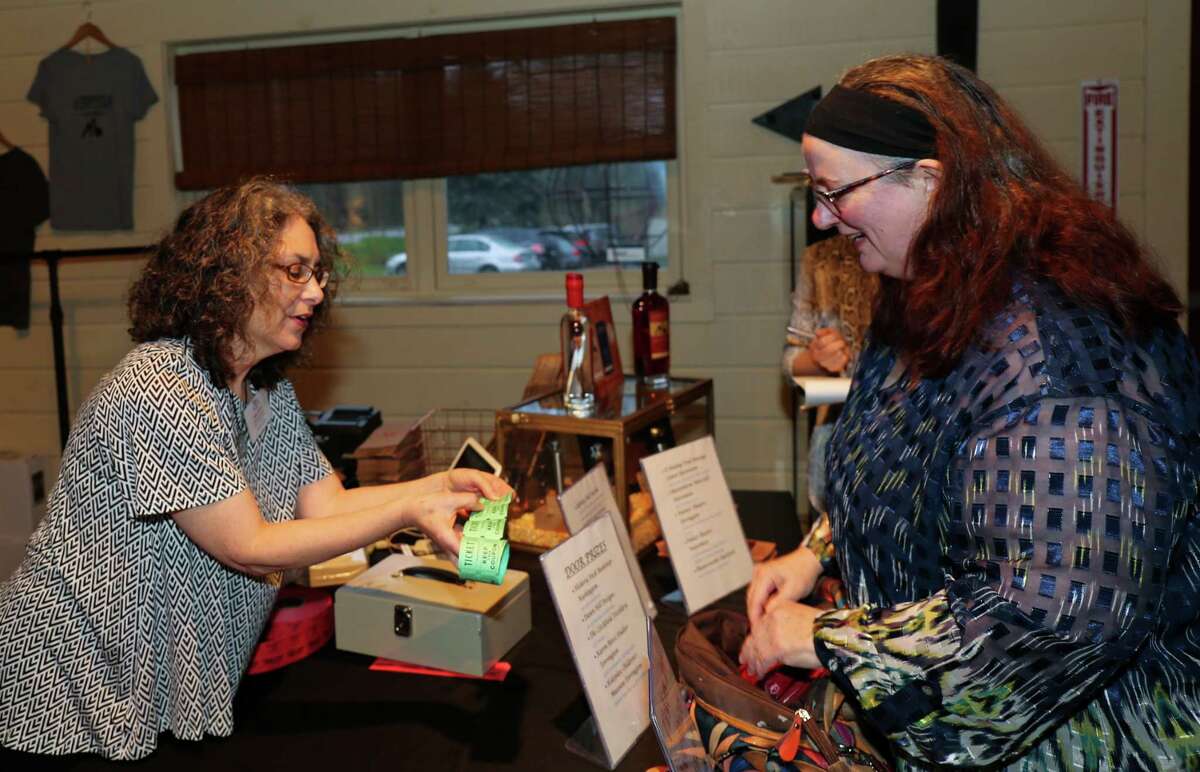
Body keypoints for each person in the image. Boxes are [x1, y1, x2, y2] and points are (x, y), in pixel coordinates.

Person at [740, 54, 1200, 770]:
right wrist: (816, 553)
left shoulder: (1065, 363)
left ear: (931, 179)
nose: (821, 218)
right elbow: (906, 458)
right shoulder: (938, 288)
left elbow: (1047, 625)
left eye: (835, 192)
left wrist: (824, 639)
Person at [0, 178, 511, 762]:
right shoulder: (158, 385)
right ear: (228, 273)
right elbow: (249, 545)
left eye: (317, 273)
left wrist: (439, 485)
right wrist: (410, 509)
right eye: (295, 271)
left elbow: (329, 508)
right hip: (65, 694)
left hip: (141, 690)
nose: (316, 292)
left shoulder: (265, 389)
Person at [783, 233, 878, 513]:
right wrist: (817, 358)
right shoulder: (821, 259)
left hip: (909, 441)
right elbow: (790, 362)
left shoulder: (924, 252)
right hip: (839, 439)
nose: (820, 218)